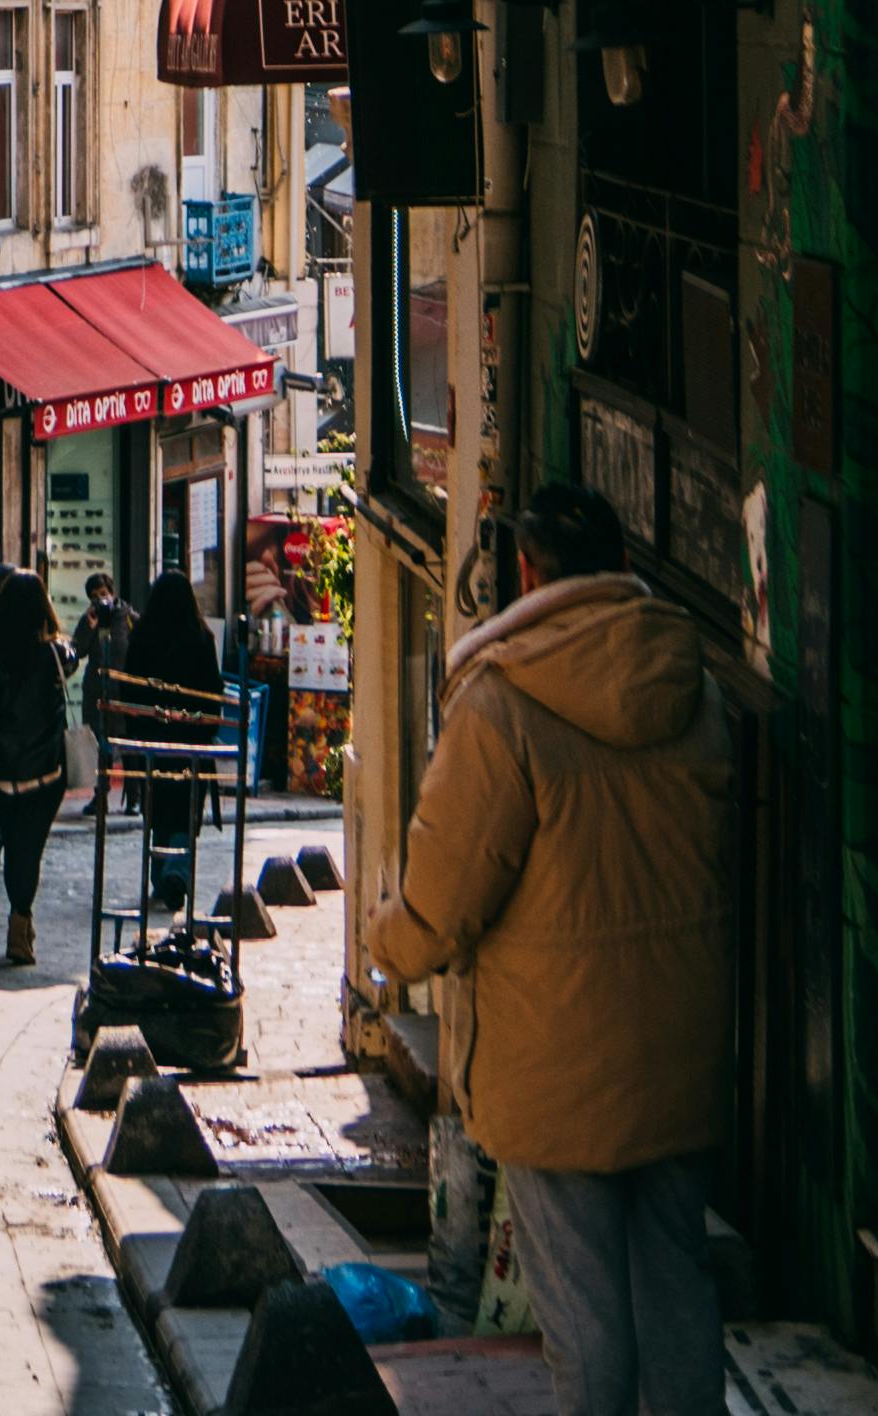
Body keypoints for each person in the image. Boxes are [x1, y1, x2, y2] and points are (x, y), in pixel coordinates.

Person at [352, 490, 737, 1416]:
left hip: (557, 1064)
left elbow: (442, 902)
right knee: (677, 1294)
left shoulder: (502, 705)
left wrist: (384, 944)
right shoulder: (692, 683)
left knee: (585, 1325)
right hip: (678, 1048)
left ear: (525, 573)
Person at [0, 564, 75, 963]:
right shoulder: (55, 654)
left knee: (15, 847)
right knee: (30, 848)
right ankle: (21, 917)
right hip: (49, 770)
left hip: (2, 772)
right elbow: (73, 655)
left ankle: (20, 918)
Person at [116, 567, 230, 913]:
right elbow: (213, 690)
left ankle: (160, 874)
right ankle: (176, 871)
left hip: (151, 740)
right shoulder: (200, 638)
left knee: (157, 808)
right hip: (190, 741)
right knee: (185, 810)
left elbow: (129, 688)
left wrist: (136, 728)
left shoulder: (143, 637)